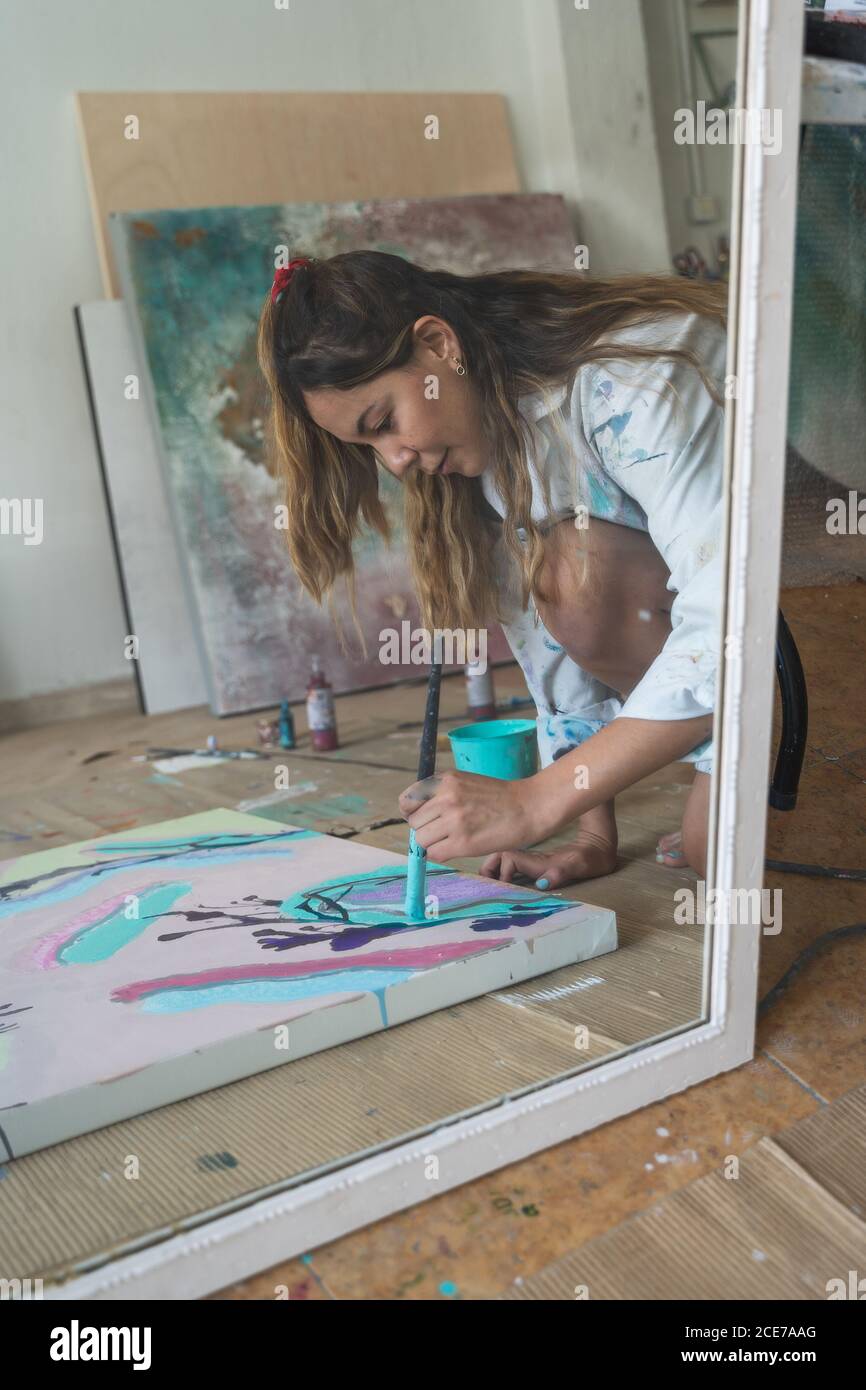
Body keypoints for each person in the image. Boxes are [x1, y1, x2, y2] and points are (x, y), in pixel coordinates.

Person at [257, 251, 727, 889]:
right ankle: (719, 755)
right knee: (565, 576)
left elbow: (732, 631)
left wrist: (536, 801)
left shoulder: (642, 381)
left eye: (384, 423)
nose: (394, 462)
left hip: (815, 629)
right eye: (367, 447)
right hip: (750, 663)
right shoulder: (491, 435)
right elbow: (552, 634)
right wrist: (591, 835)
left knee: (719, 857)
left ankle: (749, 759)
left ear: (436, 343)